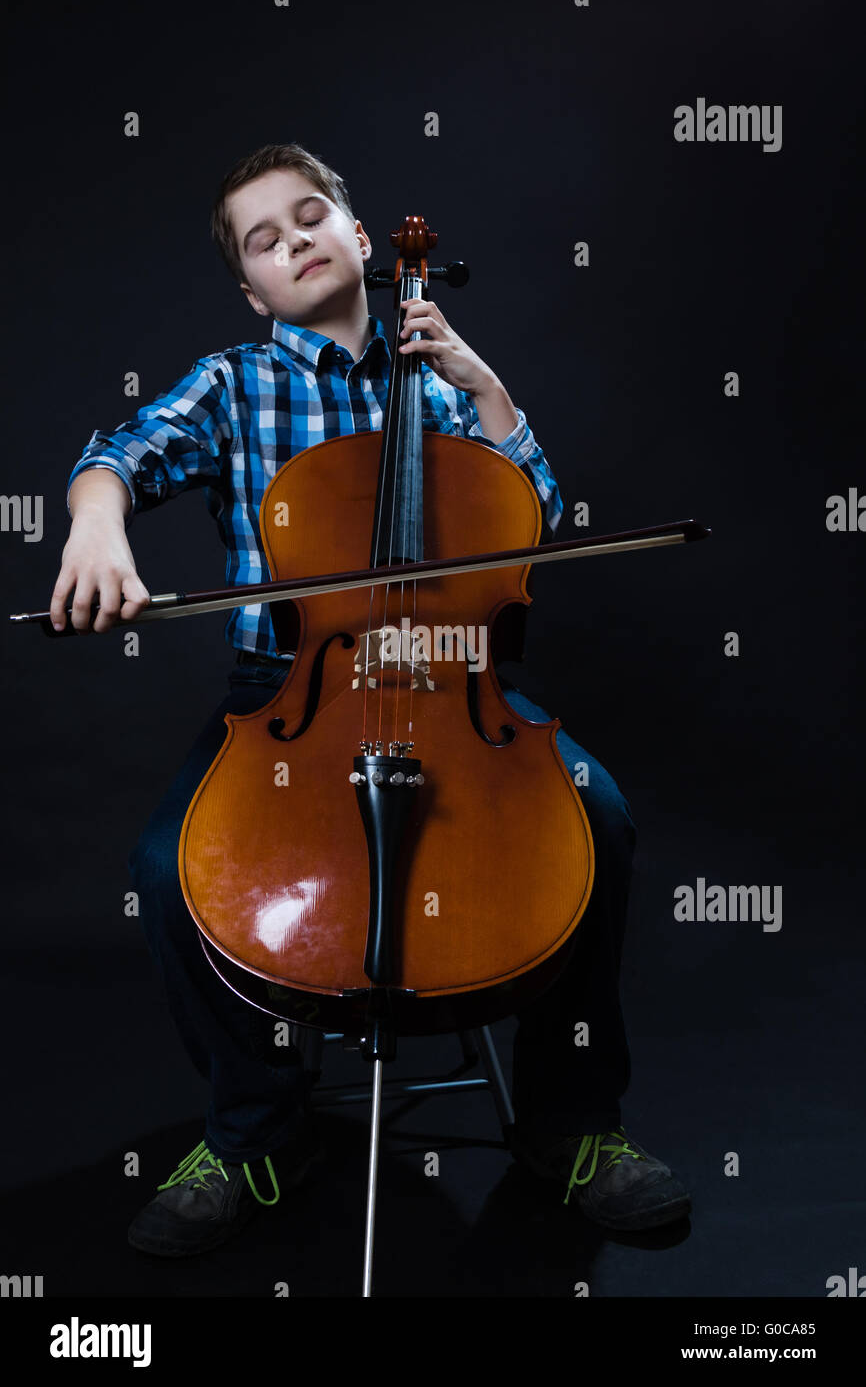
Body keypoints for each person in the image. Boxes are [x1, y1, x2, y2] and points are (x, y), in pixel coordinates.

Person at [51, 143, 690, 1258]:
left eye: (311, 217)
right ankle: (257, 1126)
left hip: (456, 677)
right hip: (289, 695)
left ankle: (570, 1122)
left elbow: (527, 517)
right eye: (264, 238)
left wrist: (485, 384)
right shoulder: (236, 381)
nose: (295, 239)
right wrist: (96, 524)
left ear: (359, 239)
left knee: (599, 816)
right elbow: (123, 451)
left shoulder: (443, 381)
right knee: (166, 866)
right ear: (252, 289)